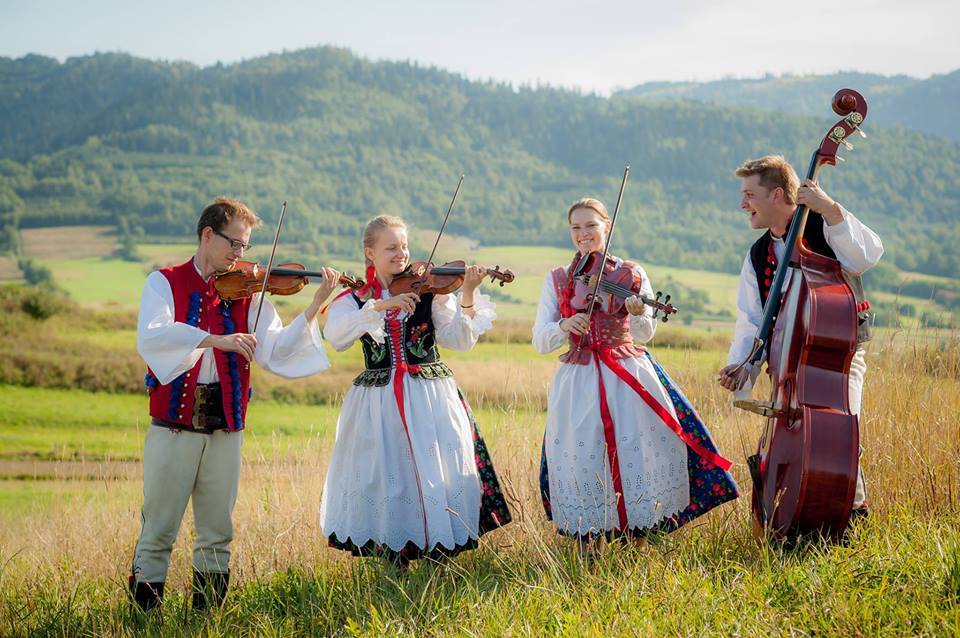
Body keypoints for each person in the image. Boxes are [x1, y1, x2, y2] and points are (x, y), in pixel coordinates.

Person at [132, 197, 339, 610]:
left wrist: (316, 305)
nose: (240, 254)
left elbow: (275, 350)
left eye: (245, 247)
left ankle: (206, 621)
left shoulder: (250, 292)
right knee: (158, 530)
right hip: (173, 427)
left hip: (227, 426)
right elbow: (153, 336)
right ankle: (145, 620)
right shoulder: (164, 282)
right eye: (234, 243)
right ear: (207, 234)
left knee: (217, 532)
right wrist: (214, 339)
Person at [534, 198, 737, 544]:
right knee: (585, 456)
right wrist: (566, 324)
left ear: (606, 226)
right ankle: (590, 543)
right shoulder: (557, 278)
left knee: (637, 453)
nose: (583, 234)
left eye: (590, 226)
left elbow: (646, 333)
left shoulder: (630, 272)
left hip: (627, 374)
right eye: (576, 227)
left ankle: (639, 540)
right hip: (579, 379)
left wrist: (638, 311)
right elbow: (540, 340)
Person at [319, 214, 511, 565]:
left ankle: (441, 554)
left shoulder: (430, 290)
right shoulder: (355, 298)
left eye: (404, 246)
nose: (401, 254)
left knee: (435, 471)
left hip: (429, 395)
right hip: (377, 402)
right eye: (391, 247)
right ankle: (396, 559)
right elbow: (336, 337)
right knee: (388, 476)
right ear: (370, 252)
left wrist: (467, 291)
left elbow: (459, 340)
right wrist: (380, 306)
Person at [718, 155, 884, 519]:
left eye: (749, 194)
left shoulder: (824, 224)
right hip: (787, 361)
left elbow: (865, 257)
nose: (742, 203)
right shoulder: (758, 253)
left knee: (838, 435)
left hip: (837, 355)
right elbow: (751, 320)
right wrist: (742, 364)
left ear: (777, 195)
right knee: (790, 440)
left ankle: (852, 514)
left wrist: (830, 208)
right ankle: (793, 518)